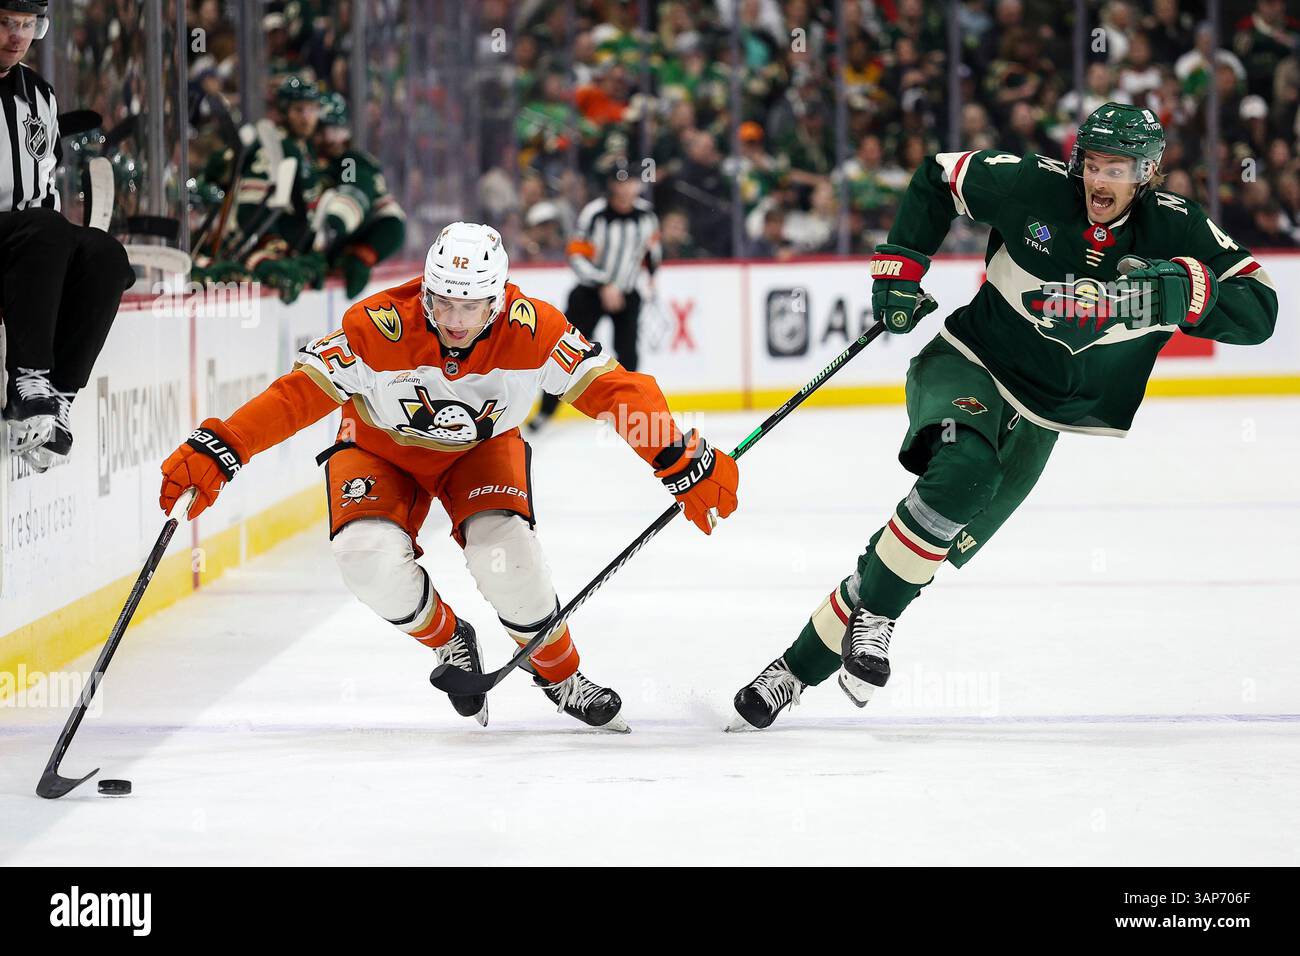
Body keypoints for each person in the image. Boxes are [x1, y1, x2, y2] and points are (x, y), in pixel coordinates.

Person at [728, 103, 1279, 731]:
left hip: (1047, 416)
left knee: (915, 556)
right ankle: (870, 625)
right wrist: (902, 264)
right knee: (965, 473)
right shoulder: (1033, 185)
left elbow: (1261, 310)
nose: (1100, 181)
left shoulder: (1176, 228)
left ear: (1146, 172)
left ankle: (789, 674)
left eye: (1118, 168)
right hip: (969, 364)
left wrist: (1183, 292)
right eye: (1092, 164)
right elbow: (939, 175)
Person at [158, 222, 738, 732]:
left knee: (506, 555)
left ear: (499, 297)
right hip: (380, 447)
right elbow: (295, 397)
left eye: (471, 306)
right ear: (427, 288)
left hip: (480, 451)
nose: (455, 321)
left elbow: (614, 392)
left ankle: (561, 676)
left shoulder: (532, 328)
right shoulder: (376, 326)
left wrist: (674, 456)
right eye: (442, 302)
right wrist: (224, 447)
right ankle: (448, 640)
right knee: (365, 558)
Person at [0, 0, 134, 472]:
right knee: (48, 230)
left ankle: (58, 396)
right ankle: (27, 380)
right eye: (4, 24)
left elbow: (45, 180)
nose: (17, 36)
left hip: (36, 239)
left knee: (106, 256)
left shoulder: (39, 94)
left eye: (26, 25)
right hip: (20, 237)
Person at [530, 165, 660, 433]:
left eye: (631, 182)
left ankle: (629, 415)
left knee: (629, 355)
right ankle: (545, 412)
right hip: (589, 293)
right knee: (565, 353)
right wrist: (603, 283)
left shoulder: (647, 216)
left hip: (626, 292)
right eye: (620, 183)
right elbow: (576, 255)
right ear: (612, 185)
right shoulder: (595, 214)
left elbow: (651, 250)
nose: (626, 189)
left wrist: (651, 275)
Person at [312, 92, 407, 299]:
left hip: (369, 230)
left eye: (338, 129)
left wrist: (332, 233)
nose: (333, 137)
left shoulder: (350, 161)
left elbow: (353, 197)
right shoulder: (311, 160)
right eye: (327, 130)